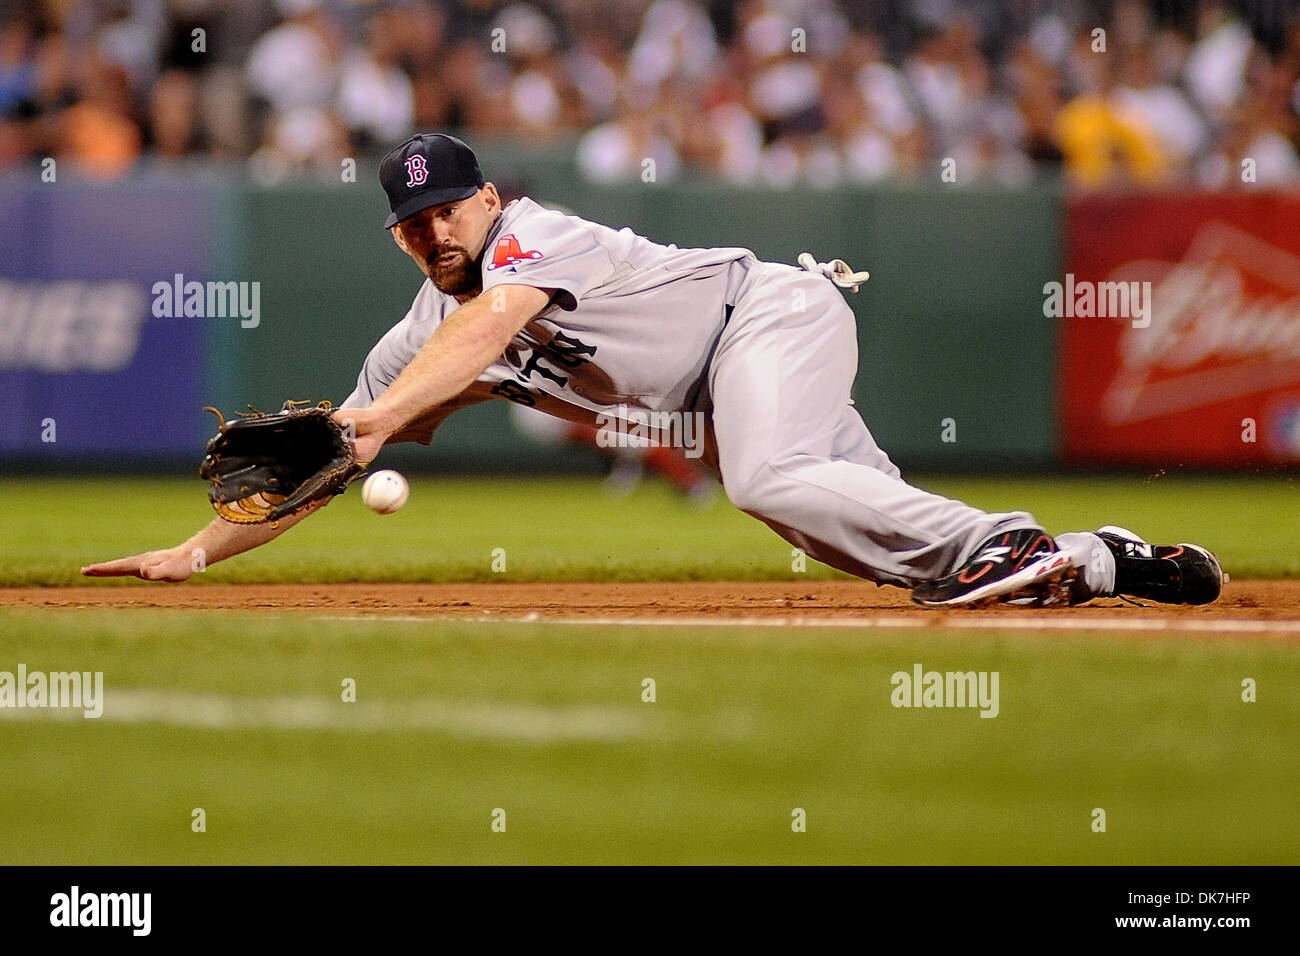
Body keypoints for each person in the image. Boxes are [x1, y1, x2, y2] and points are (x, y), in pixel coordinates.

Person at [83, 132, 1224, 608]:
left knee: (767, 481)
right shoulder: (412, 340)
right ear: (395, 236)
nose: (433, 231)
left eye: (447, 207)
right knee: (895, 547)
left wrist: (373, 415)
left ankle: (1009, 543)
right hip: (719, 390)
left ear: (488, 197)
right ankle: (1103, 560)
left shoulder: (534, 240)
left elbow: (485, 334)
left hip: (769, 316)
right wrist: (197, 546)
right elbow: (324, 464)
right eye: (411, 221)